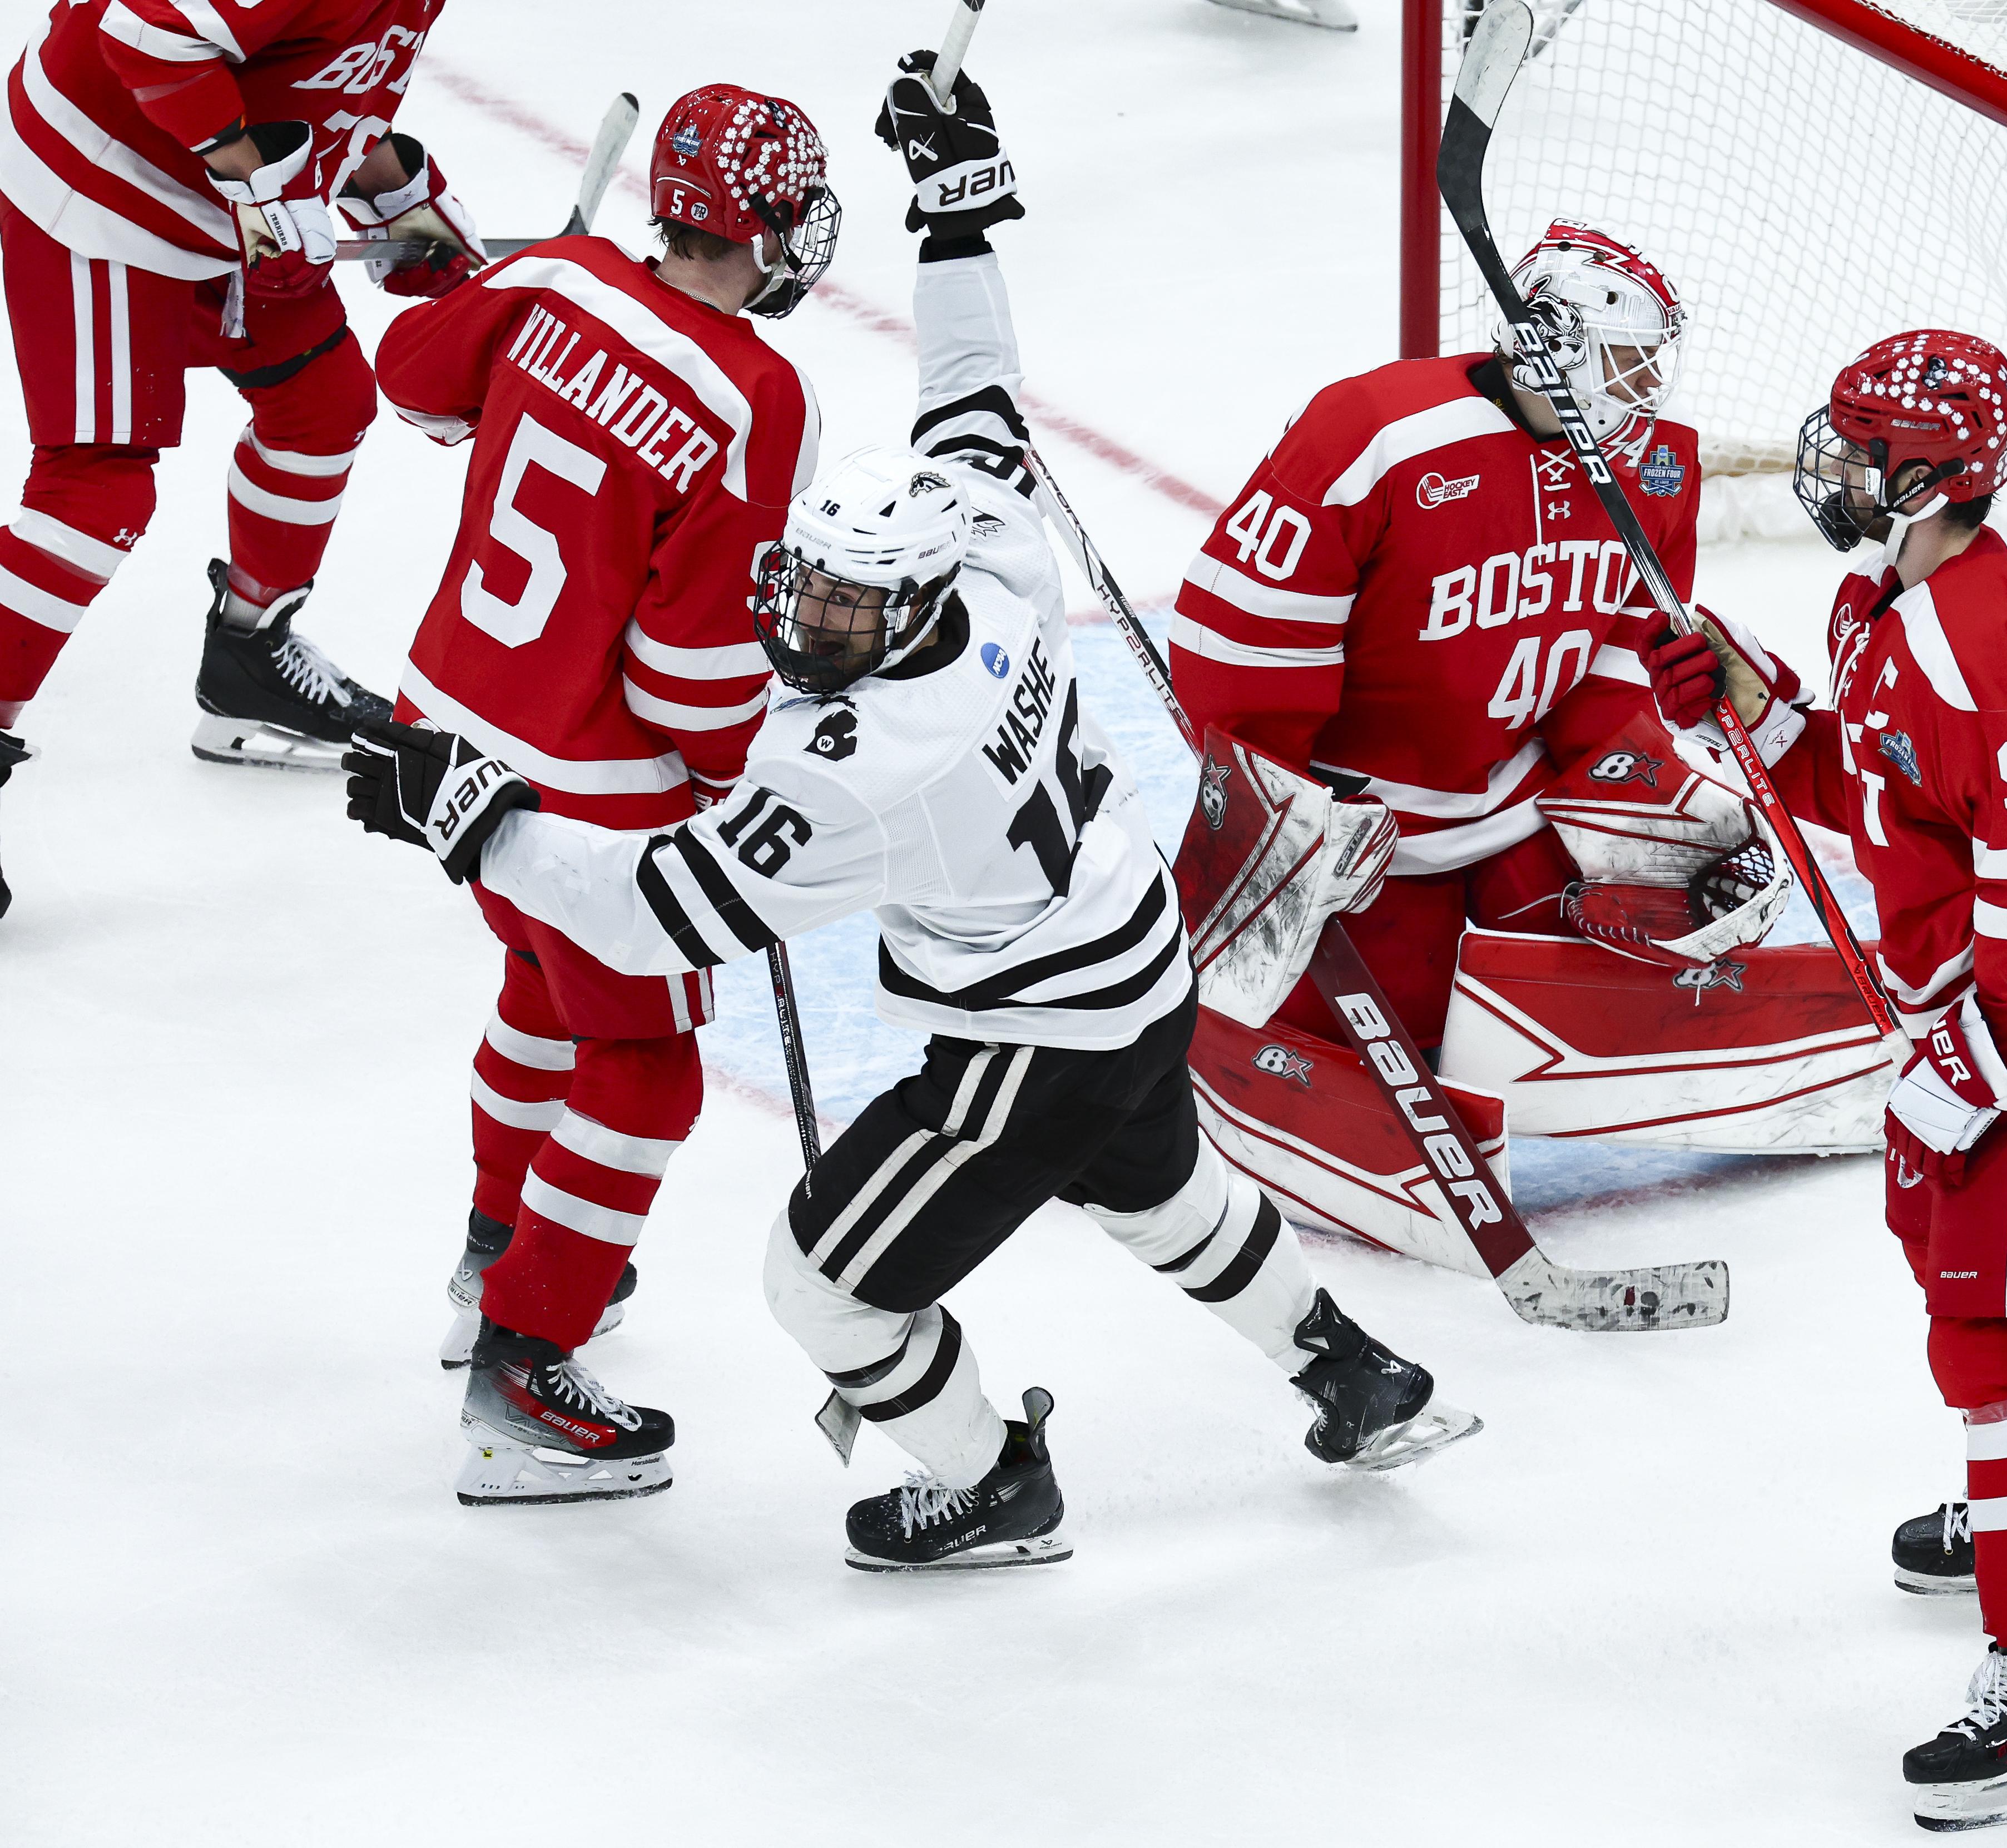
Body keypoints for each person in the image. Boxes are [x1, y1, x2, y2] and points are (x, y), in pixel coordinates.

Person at [341, 58, 1477, 1564]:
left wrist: (472, 812)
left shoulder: (852, 771)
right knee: (1157, 1186)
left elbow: (653, 900)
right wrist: (956, 218)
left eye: (837, 608)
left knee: (823, 1284)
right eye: (811, 586)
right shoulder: (999, 552)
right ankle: (1355, 1369)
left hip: (1030, 1025)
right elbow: (975, 391)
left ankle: (992, 1479)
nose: (805, 621)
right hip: (1128, 955)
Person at [1643, 330, 2007, 1830]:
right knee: (1936, 1259)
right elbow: (1876, 792)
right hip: (1990, 993)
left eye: (1863, 447)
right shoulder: (1890, 596)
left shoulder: (1971, 643)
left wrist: (1988, 1060)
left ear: (1934, 472)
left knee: (1986, 1329)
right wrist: (1751, 700)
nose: (1834, 466)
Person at [360, 83, 831, 1502]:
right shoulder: (757, 391)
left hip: (441, 731)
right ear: (764, 226)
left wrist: (507, 293)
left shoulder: (556, 273)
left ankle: (497, 1256)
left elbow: (415, 381)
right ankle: (525, 1369)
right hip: (591, 783)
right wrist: (756, 784)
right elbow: (693, 675)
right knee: (643, 1063)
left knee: (538, 992)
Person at [0, 0, 485, 919]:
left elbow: (319, 71)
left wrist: (391, 193)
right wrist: (262, 193)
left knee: (321, 404)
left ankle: (248, 663)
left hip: (216, 195)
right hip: (100, 189)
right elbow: (146, 37)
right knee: (93, 489)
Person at [1171, 217, 1701, 1051]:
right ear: (1550, 349)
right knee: (1367, 1029)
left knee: (1638, 964)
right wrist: (1284, 807)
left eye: (1651, 357)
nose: (1647, 382)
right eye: (1626, 355)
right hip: (1369, 821)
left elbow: (1623, 638)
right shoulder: (1377, 432)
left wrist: (1619, 778)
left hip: (1521, 802)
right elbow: (1241, 635)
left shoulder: (1658, 462)